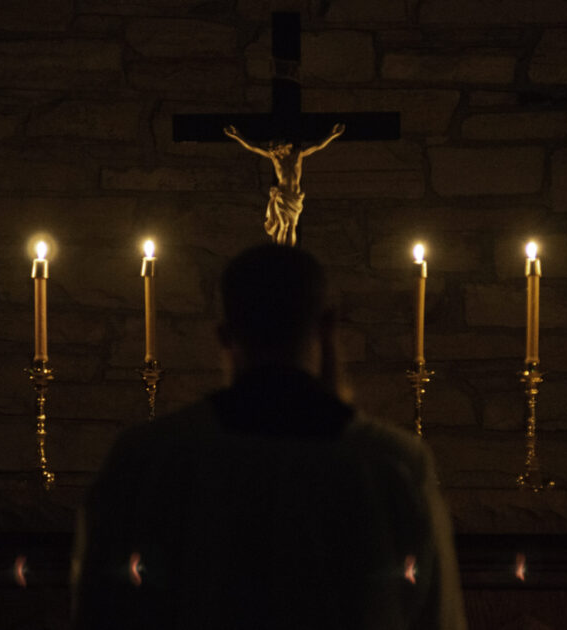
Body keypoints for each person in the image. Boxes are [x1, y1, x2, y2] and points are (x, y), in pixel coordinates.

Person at [71, 245, 465, 630]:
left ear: (225, 336)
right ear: (327, 326)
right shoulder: (391, 463)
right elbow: (435, 615)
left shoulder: (148, 457)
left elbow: (101, 608)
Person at [223, 124, 344, 246]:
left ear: (285, 146)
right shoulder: (275, 159)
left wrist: (332, 135)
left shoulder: (298, 155)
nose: (275, 150)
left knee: (292, 226)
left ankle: (290, 252)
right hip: (282, 196)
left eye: (277, 147)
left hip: (295, 196)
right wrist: (237, 136)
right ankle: (280, 251)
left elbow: (317, 146)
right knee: (284, 225)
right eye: (274, 148)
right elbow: (253, 148)